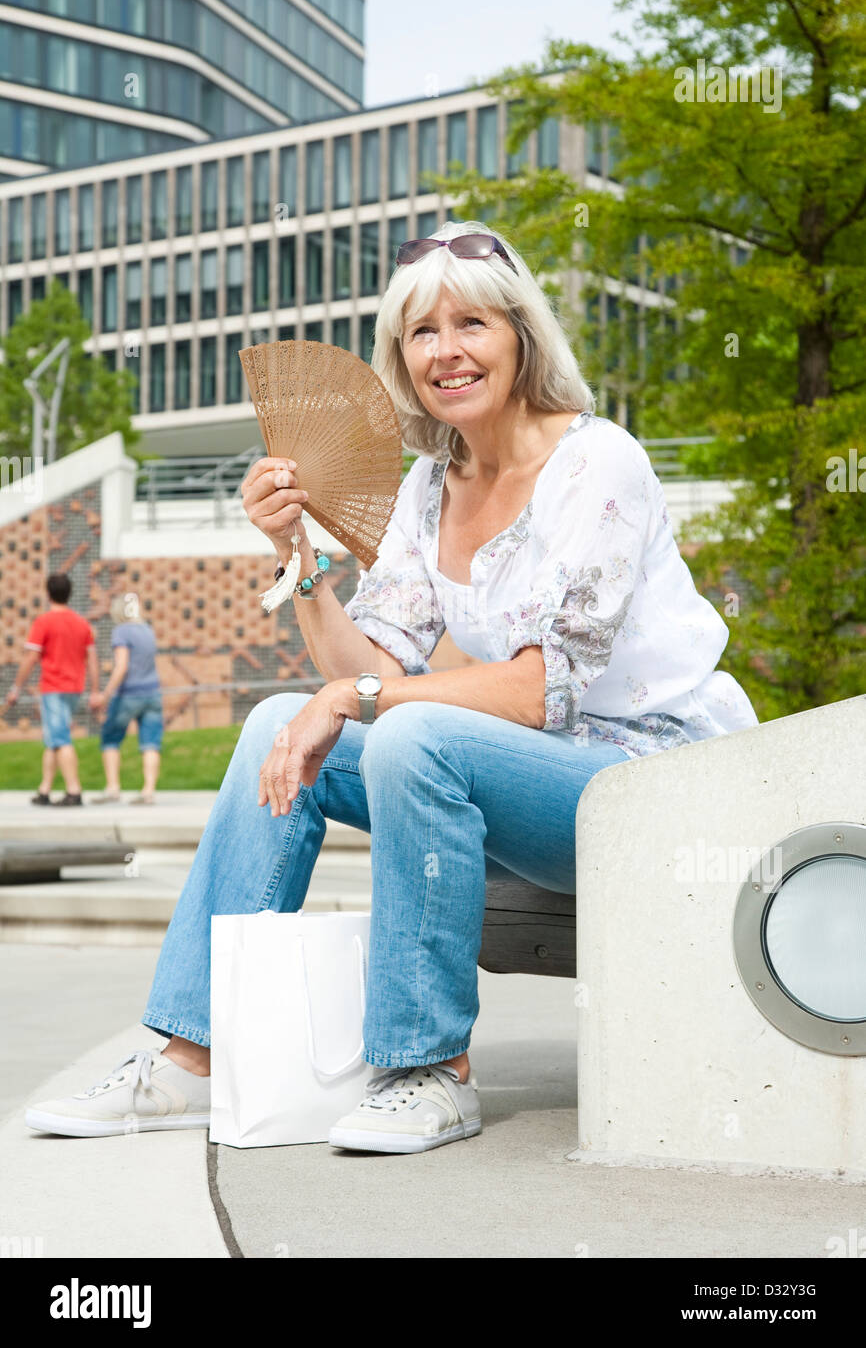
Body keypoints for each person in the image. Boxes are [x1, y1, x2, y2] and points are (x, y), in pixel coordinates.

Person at [24, 220, 759, 1153]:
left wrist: (363, 702)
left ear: (521, 335)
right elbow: (369, 671)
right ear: (399, 355)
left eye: (472, 324)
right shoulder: (428, 486)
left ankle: (429, 1068)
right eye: (421, 332)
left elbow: (540, 694)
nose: (446, 352)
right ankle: (187, 1058)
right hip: (529, 780)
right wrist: (298, 559)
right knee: (274, 723)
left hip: (655, 786)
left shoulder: (596, 463)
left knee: (409, 733)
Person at [4, 572, 100, 807]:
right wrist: (95, 689)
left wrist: (16, 687)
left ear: (48, 594)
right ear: (69, 594)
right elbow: (93, 659)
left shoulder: (44, 622)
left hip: (54, 688)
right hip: (74, 689)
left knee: (60, 738)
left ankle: (74, 791)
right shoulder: (82, 623)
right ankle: (44, 789)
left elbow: (30, 658)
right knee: (53, 739)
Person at [90, 591, 163, 805]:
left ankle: (113, 788)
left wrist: (105, 695)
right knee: (150, 743)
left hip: (129, 695)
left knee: (110, 739)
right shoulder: (147, 630)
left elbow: (121, 668)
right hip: (153, 693)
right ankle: (148, 791)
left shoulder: (121, 631)